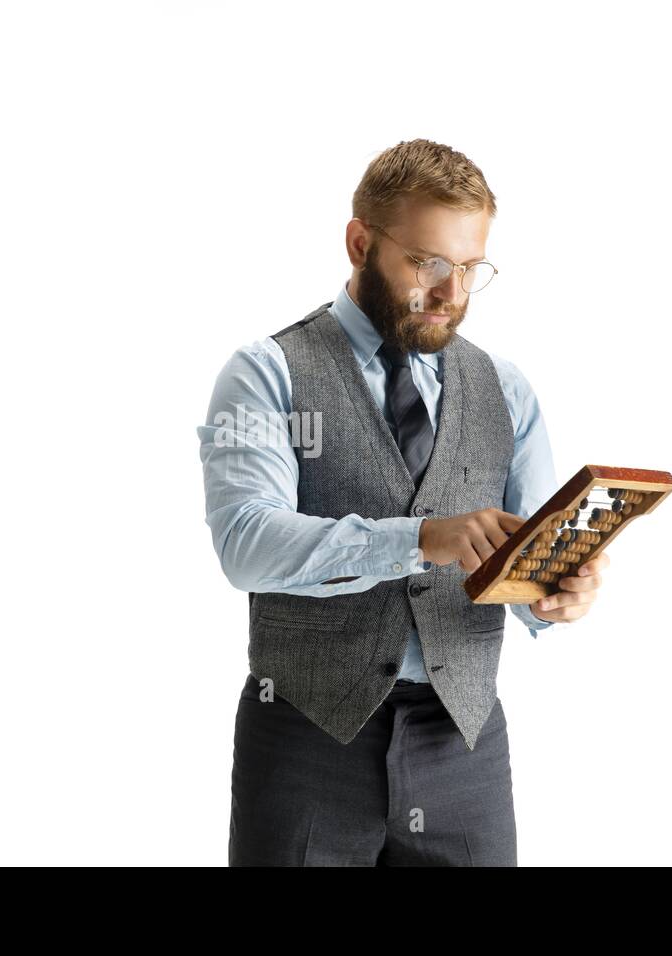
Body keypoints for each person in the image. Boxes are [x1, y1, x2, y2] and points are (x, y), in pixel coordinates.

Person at [196, 138, 611, 866]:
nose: (452, 294)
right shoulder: (266, 374)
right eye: (429, 263)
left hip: (465, 747)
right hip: (305, 740)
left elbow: (531, 553)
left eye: (472, 268)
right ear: (360, 242)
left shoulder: (506, 390)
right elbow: (246, 544)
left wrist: (556, 593)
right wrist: (419, 537)